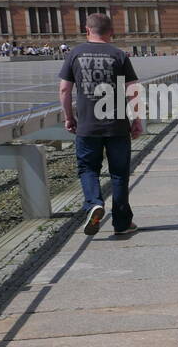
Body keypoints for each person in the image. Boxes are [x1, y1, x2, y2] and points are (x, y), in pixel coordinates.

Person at [58, 12, 142, 237]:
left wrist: (69, 117)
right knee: (119, 173)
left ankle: (94, 203)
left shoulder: (74, 54)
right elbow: (133, 89)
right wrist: (137, 119)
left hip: (87, 126)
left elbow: (65, 90)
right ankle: (122, 222)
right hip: (117, 125)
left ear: (87, 30)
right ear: (111, 32)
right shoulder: (119, 55)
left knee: (88, 168)